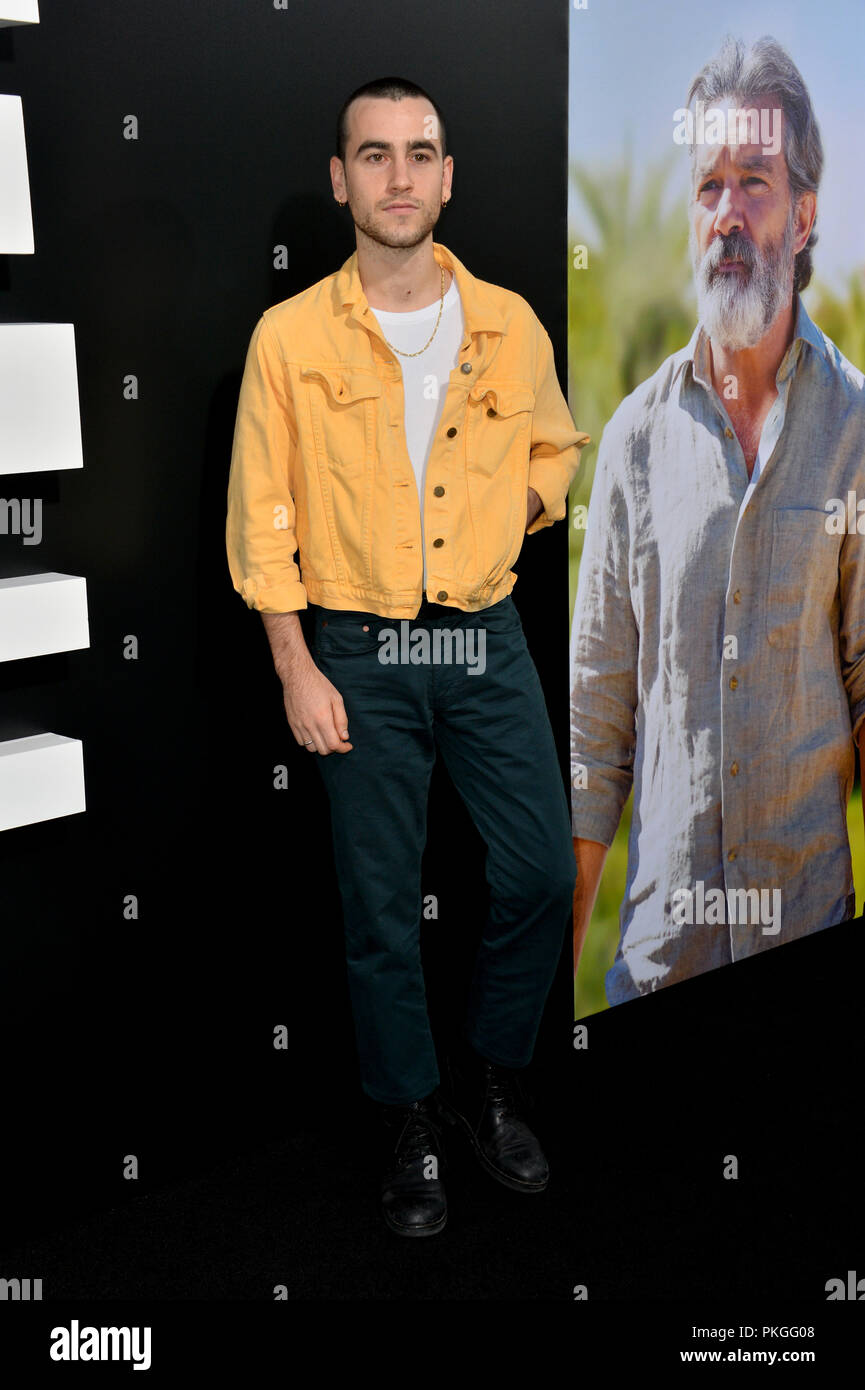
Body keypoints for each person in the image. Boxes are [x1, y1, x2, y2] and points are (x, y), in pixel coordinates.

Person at [226, 77, 588, 1235]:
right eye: (372, 155)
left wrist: (516, 509)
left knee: (536, 871)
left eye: (418, 153)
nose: (397, 176)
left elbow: (558, 444)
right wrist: (295, 663)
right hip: (357, 651)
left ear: (446, 175)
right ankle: (408, 1116)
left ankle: (489, 1076)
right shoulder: (288, 338)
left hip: (482, 636)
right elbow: (261, 510)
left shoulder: (510, 322)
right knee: (380, 904)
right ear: (341, 179)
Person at [571, 36, 865, 1006]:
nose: (728, 213)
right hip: (660, 967)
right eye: (707, 186)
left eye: (754, 180)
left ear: (805, 211)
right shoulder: (630, 444)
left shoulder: (855, 432)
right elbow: (593, 731)